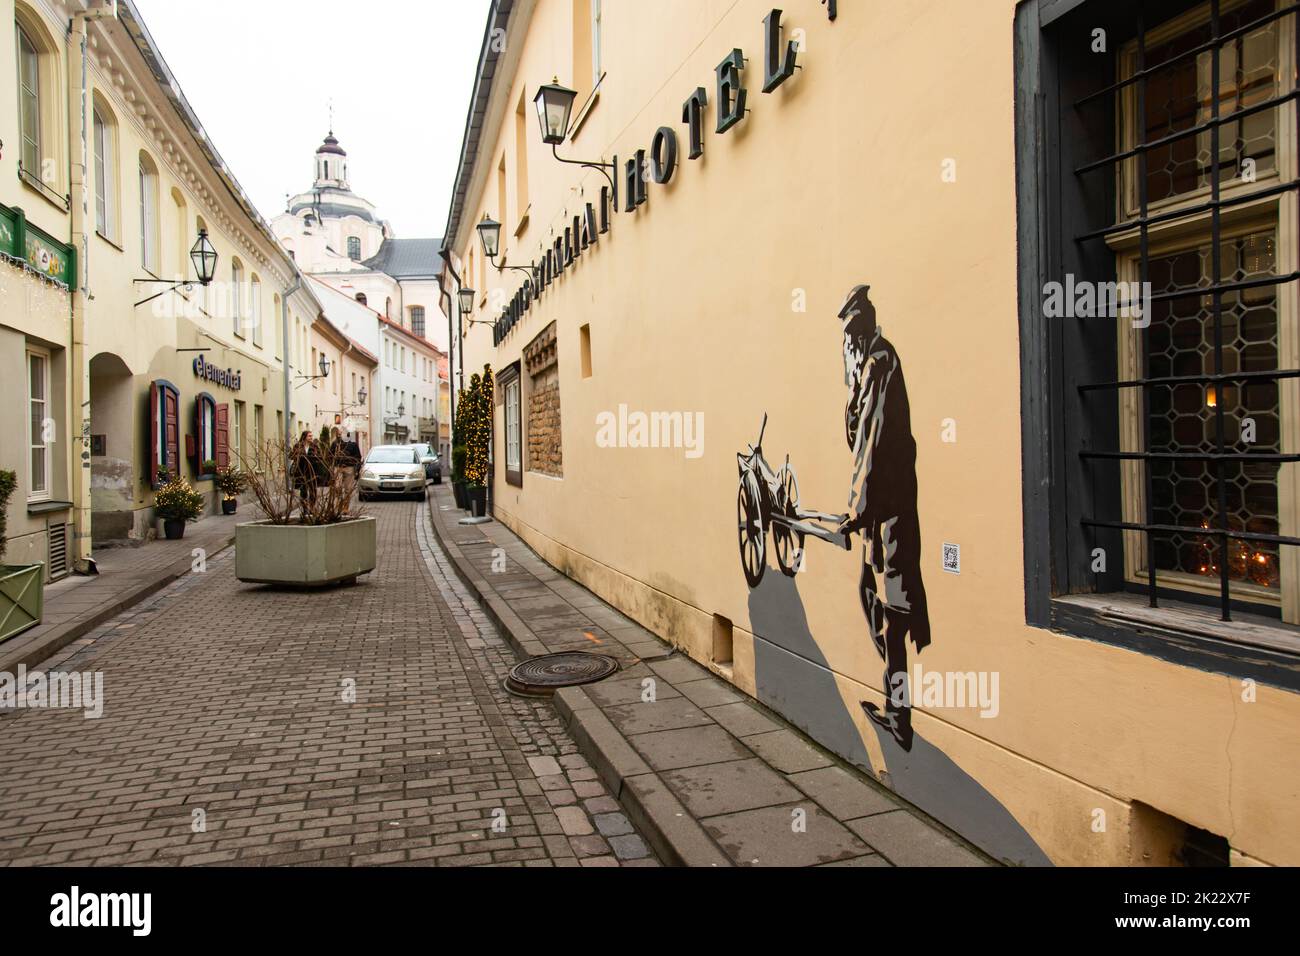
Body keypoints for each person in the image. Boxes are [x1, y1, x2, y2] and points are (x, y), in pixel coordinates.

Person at [834, 285, 930, 752]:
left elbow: (869, 441)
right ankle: (898, 704)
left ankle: (899, 714)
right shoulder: (870, 364)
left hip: (888, 509)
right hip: (884, 508)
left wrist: (856, 508)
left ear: (865, 324)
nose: (849, 340)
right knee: (877, 599)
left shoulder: (879, 363)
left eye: (852, 330)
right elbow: (857, 428)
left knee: (891, 610)